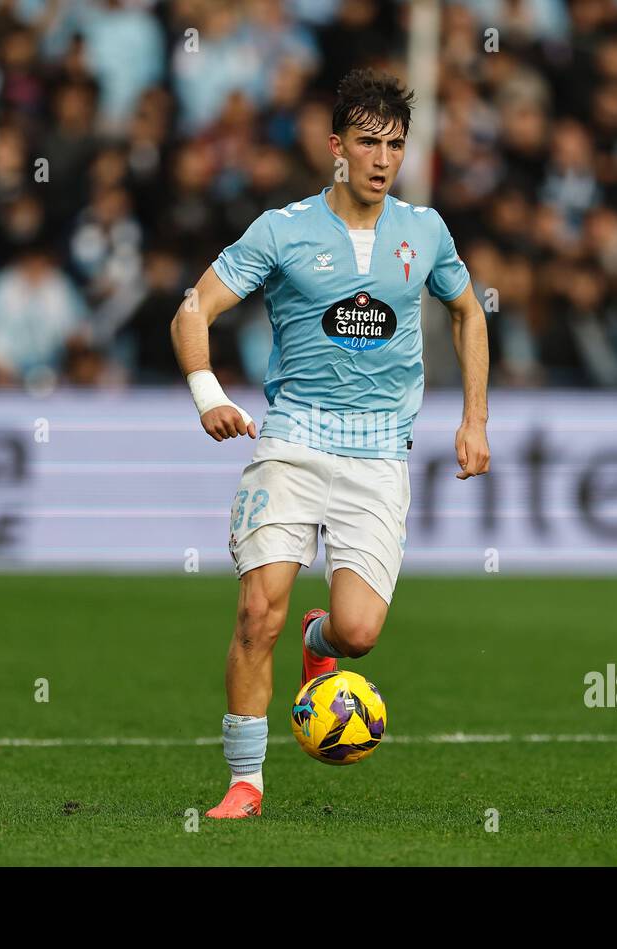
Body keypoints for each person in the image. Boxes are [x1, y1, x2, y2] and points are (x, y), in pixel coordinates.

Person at [170, 69, 491, 819]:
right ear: (336, 146)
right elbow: (195, 306)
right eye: (369, 142)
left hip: (380, 452)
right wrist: (208, 394)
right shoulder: (282, 229)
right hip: (292, 440)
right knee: (258, 614)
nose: (383, 159)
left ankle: (321, 635)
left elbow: (469, 314)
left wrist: (475, 419)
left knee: (358, 632)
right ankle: (245, 783)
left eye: (397, 145)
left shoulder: (426, 231)